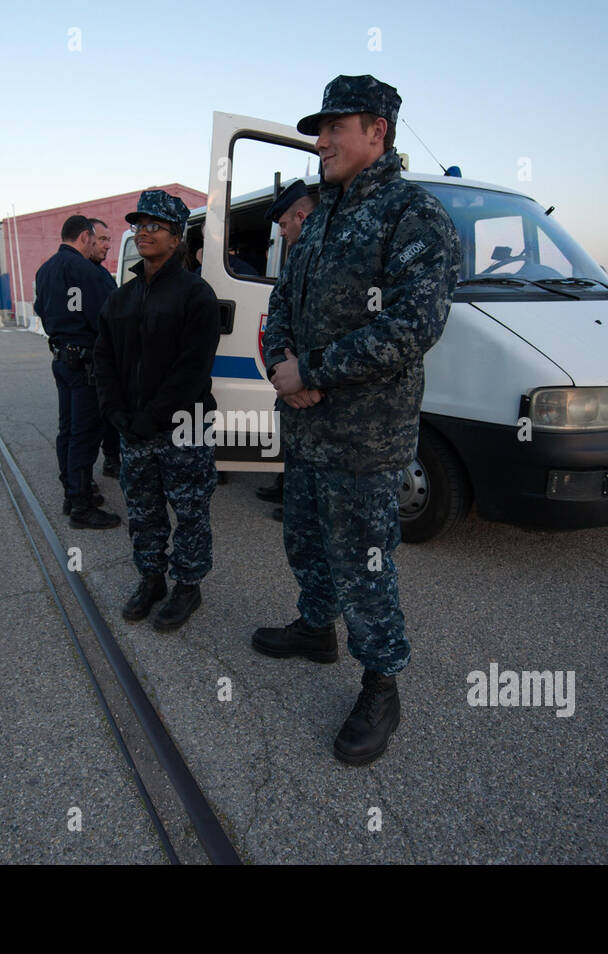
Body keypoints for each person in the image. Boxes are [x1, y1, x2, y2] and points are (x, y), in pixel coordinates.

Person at [252, 75, 460, 766]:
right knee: (306, 541)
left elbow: (412, 325)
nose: (320, 142)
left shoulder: (413, 214)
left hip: (366, 436)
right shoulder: (324, 215)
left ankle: (381, 685)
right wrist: (282, 363)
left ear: (378, 130)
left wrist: (312, 373)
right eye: (320, 129)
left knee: (365, 563)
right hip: (307, 428)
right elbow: (281, 300)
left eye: (334, 128)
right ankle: (316, 629)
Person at [92, 190, 220, 631]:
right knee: (143, 508)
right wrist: (115, 411)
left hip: (183, 426)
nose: (143, 232)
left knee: (189, 510)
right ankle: (151, 579)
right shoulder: (120, 299)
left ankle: (187, 585)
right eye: (139, 224)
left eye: (155, 226)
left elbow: (192, 369)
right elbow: (103, 358)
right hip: (133, 428)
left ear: (176, 237)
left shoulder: (196, 295)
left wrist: (152, 416)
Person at [34, 215, 121, 529]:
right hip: (87, 363)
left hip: (61, 359)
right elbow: (108, 318)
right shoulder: (88, 271)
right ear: (85, 236)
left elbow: (40, 311)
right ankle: (81, 507)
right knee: (84, 435)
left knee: (68, 430)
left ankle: (73, 494)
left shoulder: (45, 271)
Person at [256, 179, 318, 520]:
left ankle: (299, 502)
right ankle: (291, 494)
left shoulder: (332, 249)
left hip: (320, 385)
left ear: (301, 216)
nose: (280, 233)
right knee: (293, 444)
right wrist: (282, 367)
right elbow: (277, 313)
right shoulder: (296, 259)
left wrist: (308, 375)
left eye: (283, 225)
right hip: (295, 382)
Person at [86, 217, 122, 480]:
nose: (108, 246)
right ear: (87, 238)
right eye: (103, 239)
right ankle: (81, 487)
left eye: (109, 240)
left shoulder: (100, 273)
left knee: (110, 411)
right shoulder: (83, 273)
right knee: (90, 420)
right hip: (94, 358)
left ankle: (111, 458)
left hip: (110, 355)